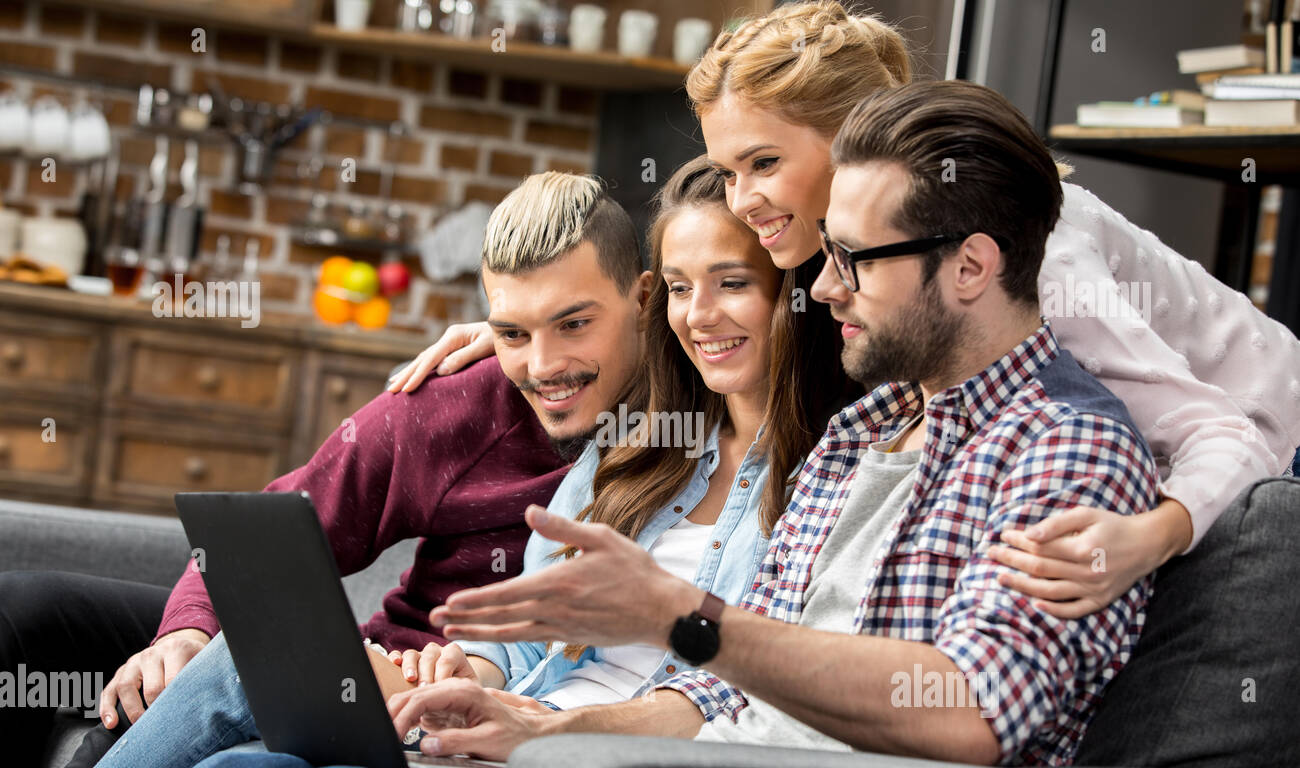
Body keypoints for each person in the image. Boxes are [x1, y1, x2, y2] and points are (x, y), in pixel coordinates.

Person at [117, 79, 1161, 768]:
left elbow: (970, 714)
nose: (826, 288)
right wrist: (538, 724)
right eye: (822, 257)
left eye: (855, 261)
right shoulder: (866, 429)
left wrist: (685, 616)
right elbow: (708, 697)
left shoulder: (1062, 445)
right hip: (688, 764)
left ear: (970, 265)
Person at [3, 157, 826, 768]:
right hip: (422, 669)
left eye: (575, 324)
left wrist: (493, 688)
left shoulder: (792, 455)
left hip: (527, 723)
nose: (545, 365)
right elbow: (287, 527)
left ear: (637, 303)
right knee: (75, 626)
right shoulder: (505, 413)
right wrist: (190, 625)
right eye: (514, 332)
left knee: (255, 715)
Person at [391, 0, 1300, 620]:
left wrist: (1150, 535)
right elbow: (707, 334)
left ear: (852, 132)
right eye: (727, 168)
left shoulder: (1024, 255)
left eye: (762, 163)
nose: (740, 197)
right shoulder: (849, 265)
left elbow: (1228, 432)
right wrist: (525, 339)